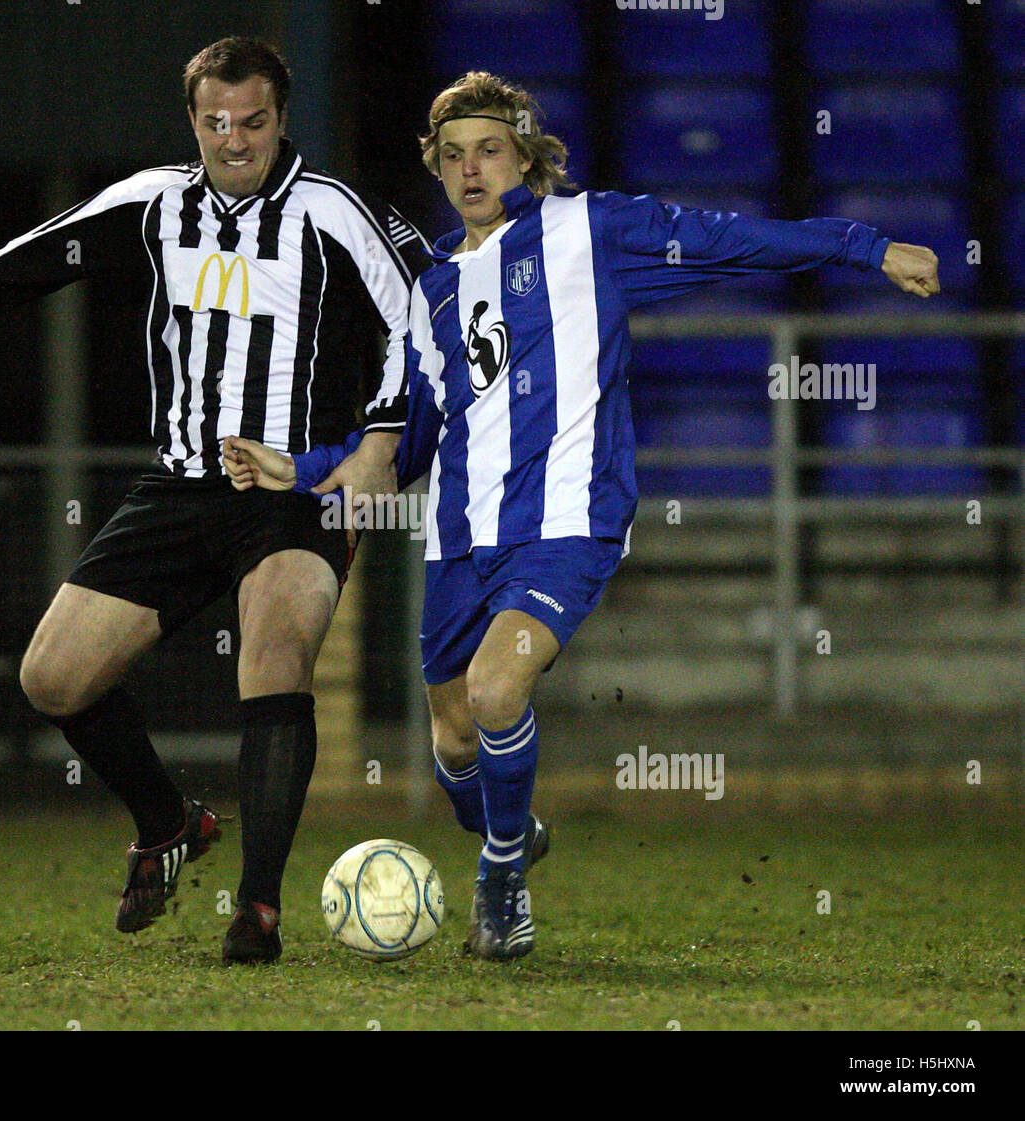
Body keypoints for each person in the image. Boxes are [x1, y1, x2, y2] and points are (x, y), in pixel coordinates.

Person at [222, 71, 940, 961]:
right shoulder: (433, 286)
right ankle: (509, 830)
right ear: (436, 171)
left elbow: (732, 241)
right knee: (450, 740)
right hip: (457, 539)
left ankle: (502, 883)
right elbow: (407, 439)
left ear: (526, 154)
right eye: (452, 157)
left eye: (489, 150)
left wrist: (866, 249)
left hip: (567, 522)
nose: (471, 170)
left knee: (494, 690)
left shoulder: (588, 229)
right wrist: (303, 468)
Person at [0, 37, 430, 965]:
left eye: (254, 122)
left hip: (291, 491)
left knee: (274, 653)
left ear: (284, 118)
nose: (234, 141)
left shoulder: (336, 215)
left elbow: (420, 321)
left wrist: (381, 444)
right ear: (193, 119)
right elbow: (35, 258)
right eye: (214, 123)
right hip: (177, 487)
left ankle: (259, 909)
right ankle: (167, 822)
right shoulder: (155, 201)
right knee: (52, 677)